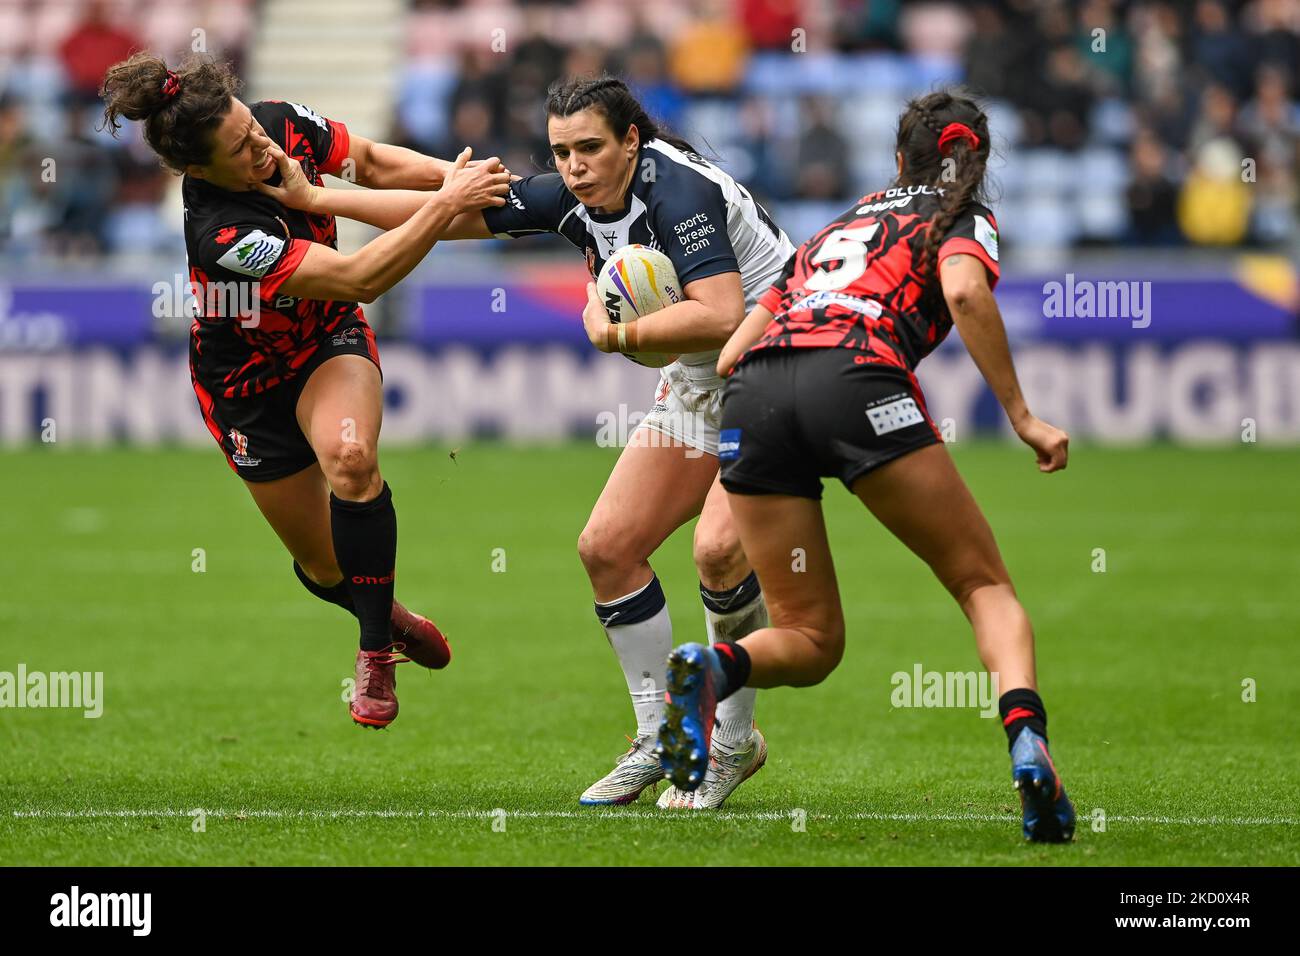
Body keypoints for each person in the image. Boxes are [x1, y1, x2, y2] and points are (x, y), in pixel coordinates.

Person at [260, 75, 796, 808]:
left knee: (718, 549)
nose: (573, 165)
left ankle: (732, 745)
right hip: (702, 383)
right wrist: (318, 200)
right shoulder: (573, 196)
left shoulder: (679, 194)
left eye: (589, 148)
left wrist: (619, 333)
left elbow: (721, 312)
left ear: (631, 140)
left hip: (777, 370)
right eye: (561, 151)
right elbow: (445, 214)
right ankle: (654, 738)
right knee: (607, 547)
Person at [656, 90, 1078, 842]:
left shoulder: (842, 222)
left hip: (755, 395)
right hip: (857, 378)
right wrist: (1022, 416)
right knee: (984, 587)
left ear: (895, 160)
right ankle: (1025, 742)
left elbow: (726, 354)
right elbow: (963, 290)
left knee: (812, 641)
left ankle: (714, 667)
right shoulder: (961, 216)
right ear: (974, 166)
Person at [100, 53, 510, 728]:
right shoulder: (221, 233)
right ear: (199, 170)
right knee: (324, 569)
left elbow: (372, 165)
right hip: (244, 388)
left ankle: (374, 651)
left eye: (250, 126)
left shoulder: (280, 123)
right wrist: (447, 205)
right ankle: (391, 616)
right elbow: (357, 278)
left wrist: (471, 183)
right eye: (240, 148)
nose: (260, 145)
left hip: (325, 343)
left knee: (350, 461)